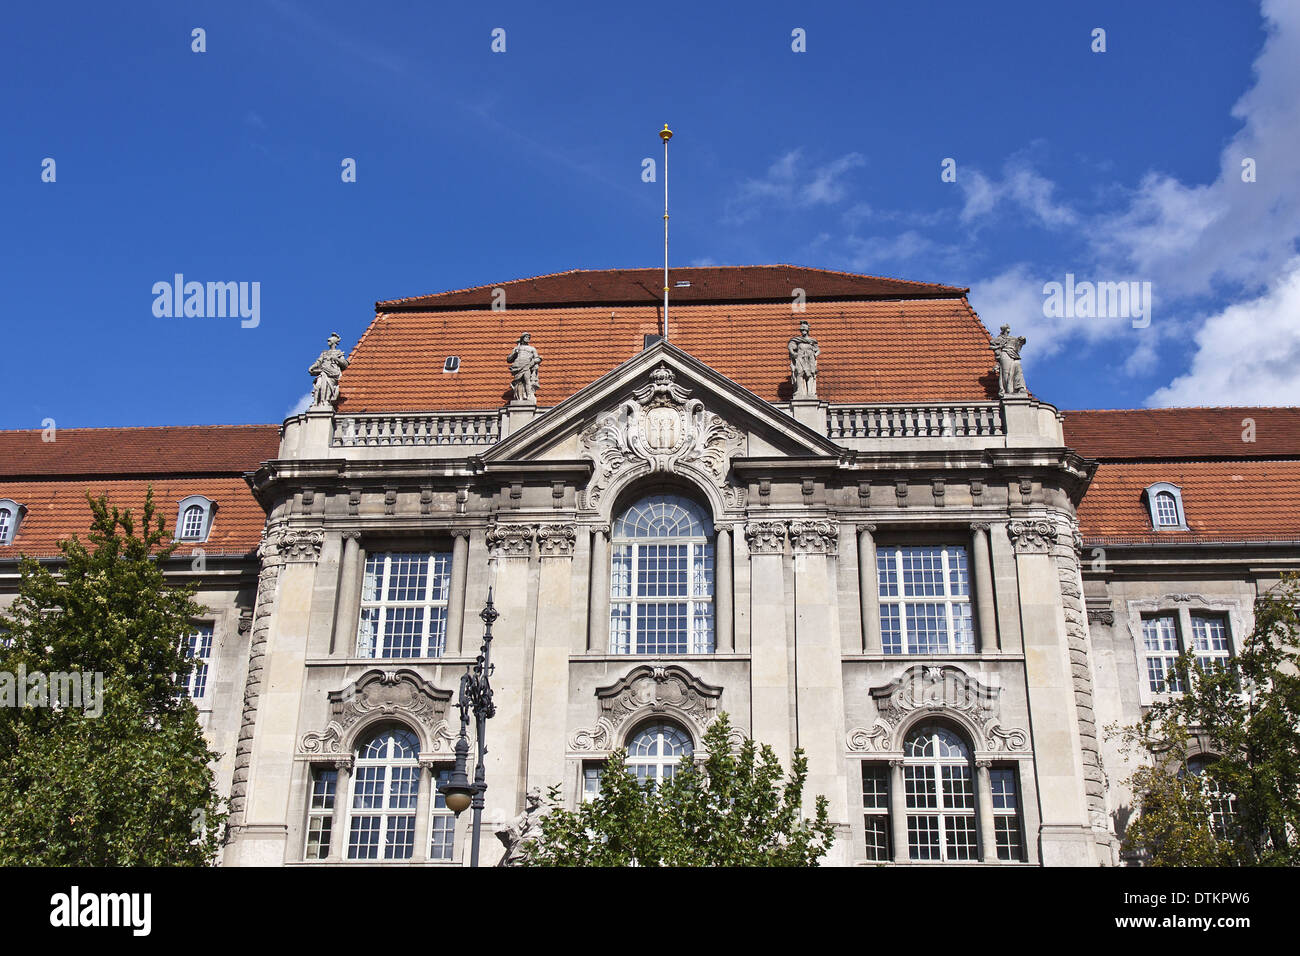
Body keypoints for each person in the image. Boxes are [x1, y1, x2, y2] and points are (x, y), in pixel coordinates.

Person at [308, 332, 348, 407]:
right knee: (318, 386)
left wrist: (336, 358)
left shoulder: (338, 353)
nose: (328, 342)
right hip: (323, 372)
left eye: (329, 341)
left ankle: (326, 401)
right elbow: (318, 362)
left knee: (328, 387)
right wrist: (312, 367)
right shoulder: (324, 353)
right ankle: (317, 402)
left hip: (332, 374)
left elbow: (345, 364)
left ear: (333, 342)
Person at [788, 319, 819, 398]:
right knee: (800, 373)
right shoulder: (797, 340)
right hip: (800, 358)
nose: (803, 331)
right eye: (801, 330)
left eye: (804, 330)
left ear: (807, 330)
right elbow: (790, 346)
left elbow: (818, 350)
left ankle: (810, 393)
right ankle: (800, 391)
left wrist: (814, 355)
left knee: (810, 375)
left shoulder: (812, 341)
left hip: (810, 359)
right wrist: (793, 353)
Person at [507, 332, 541, 402]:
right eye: (526, 337)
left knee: (527, 381)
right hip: (517, 367)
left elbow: (538, 358)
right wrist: (514, 353)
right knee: (518, 383)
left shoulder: (532, 349)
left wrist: (533, 362)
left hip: (527, 366)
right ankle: (520, 397)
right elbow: (509, 359)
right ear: (522, 338)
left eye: (529, 337)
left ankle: (529, 396)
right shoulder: (517, 348)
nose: (528, 338)